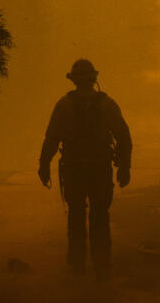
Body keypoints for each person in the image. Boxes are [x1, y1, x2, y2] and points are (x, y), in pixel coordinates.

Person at [38, 58, 132, 280]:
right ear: (94, 79)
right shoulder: (107, 104)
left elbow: (51, 138)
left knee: (76, 216)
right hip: (100, 169)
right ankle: (101, 264)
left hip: (73, 169)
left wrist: (44, 166)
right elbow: (124, 138)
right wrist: (125, 168)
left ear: (73, 80)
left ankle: (77, 264)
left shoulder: (64, 105)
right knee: (100, 215)